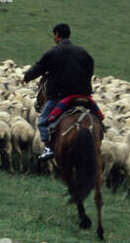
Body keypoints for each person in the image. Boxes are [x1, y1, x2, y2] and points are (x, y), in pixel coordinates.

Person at [21, 23, 96, 162]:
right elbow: (90, 69)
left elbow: (39, 67)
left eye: (53, 35)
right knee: (98, 118)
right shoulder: (83, 52)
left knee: (42, 121)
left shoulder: (53, 52)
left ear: (56, 35)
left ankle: (49, 148)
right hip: (83, 95)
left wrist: (26, 77)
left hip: (61, 95)